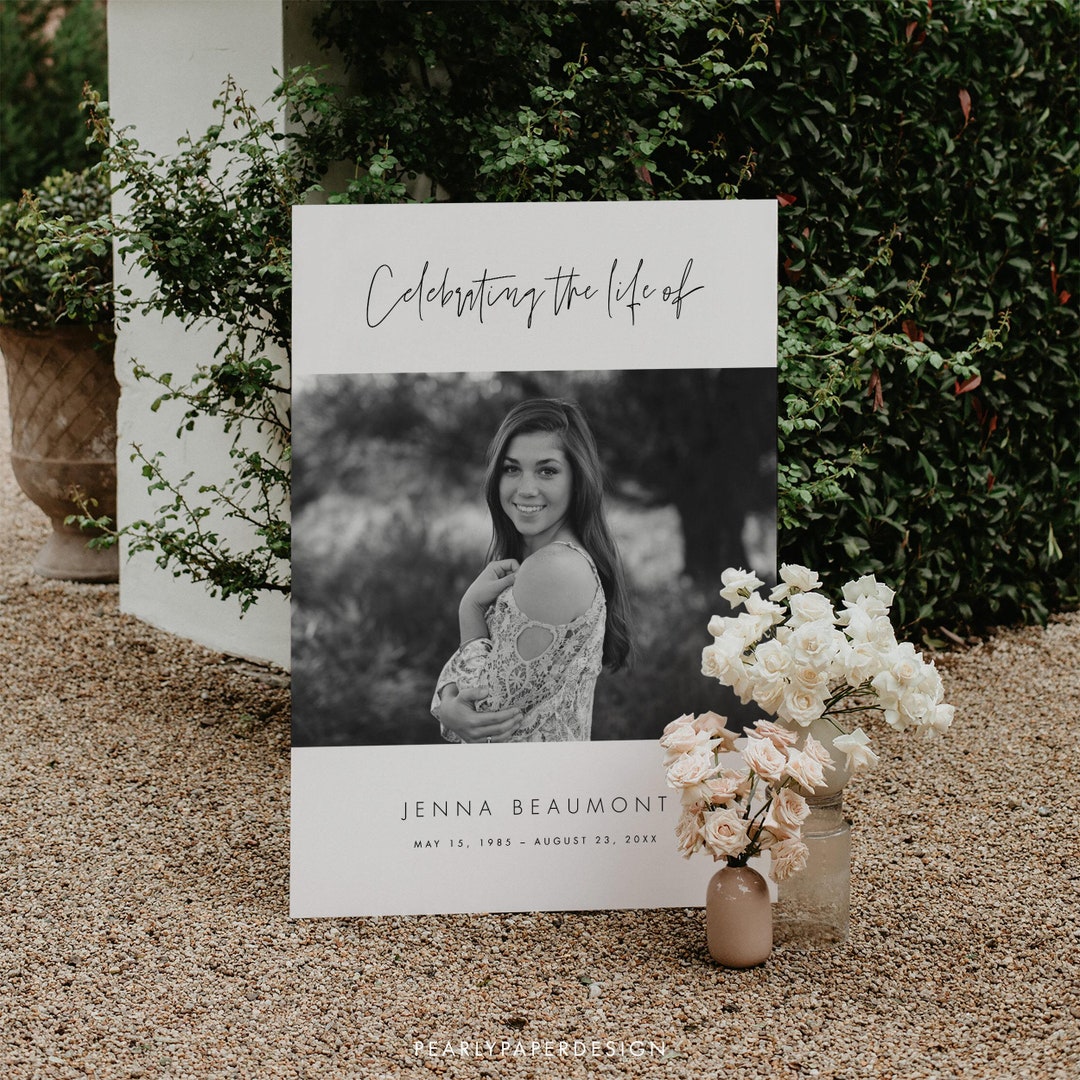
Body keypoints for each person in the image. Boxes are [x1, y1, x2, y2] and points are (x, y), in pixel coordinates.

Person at [431, 398, 632, 742]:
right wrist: (447, 702)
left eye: (547, 471)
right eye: (511, 469)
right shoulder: (543, 562)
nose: (525, 489)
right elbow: (469, 702)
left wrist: (471, 610)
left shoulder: (554, 569)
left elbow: (482, 715)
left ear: (577, 479)